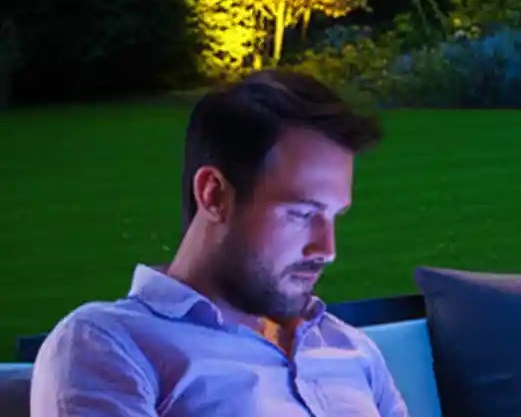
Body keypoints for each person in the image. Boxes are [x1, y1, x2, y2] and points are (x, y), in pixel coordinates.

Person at [30, 69, 408, 416]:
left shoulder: (351, 349)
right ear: (214, 196)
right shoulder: (109, 345)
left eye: (333, 216)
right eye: (301, 214)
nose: (327, 248)